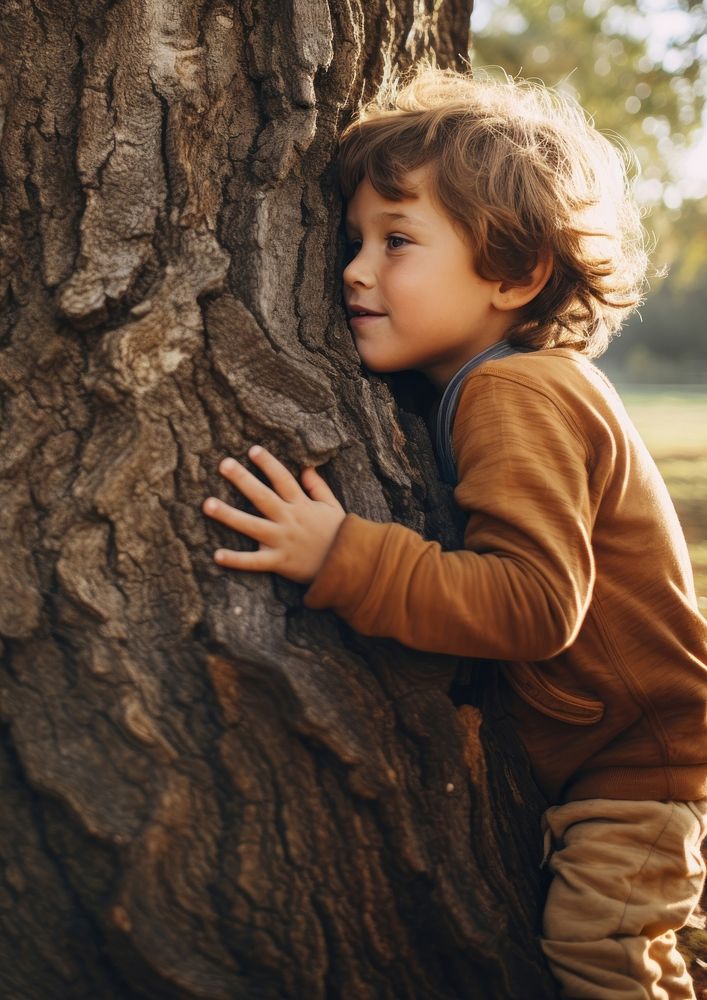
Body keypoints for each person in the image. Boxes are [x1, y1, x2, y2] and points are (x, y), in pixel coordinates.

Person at [202, 64, 707, 999]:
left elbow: (533, 605)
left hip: (634, 771)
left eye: (397, 240)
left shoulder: (516, 394)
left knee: (605, 962)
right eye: (352, 239)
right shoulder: (494, 386)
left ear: (514, 273)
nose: (352, 268)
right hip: (609, 758)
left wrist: (341, 555)